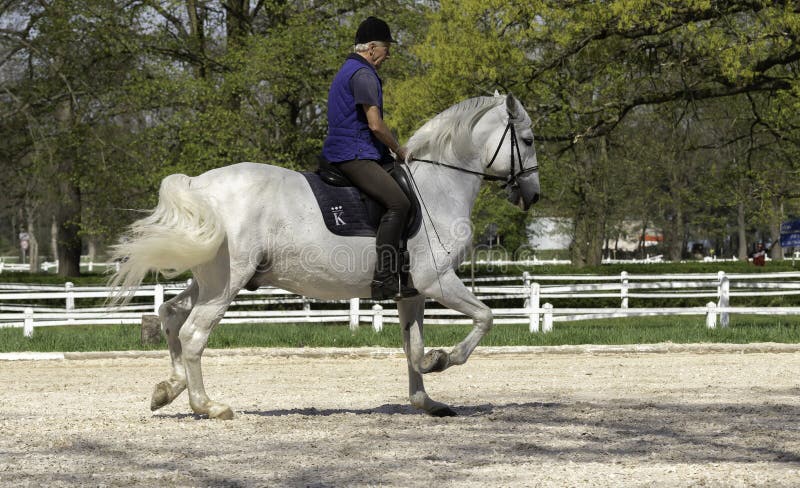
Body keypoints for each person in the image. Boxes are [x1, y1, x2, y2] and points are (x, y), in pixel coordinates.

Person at [322, 16, 418, 300]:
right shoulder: (364, 75)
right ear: (373, 47)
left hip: (354, 149)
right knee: (399, 203)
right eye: (387, 48)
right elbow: (375, 125)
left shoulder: (348, 69)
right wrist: (399, 150)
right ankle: (384, 279)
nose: (388, 54)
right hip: (353, 153)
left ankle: (404, 270)